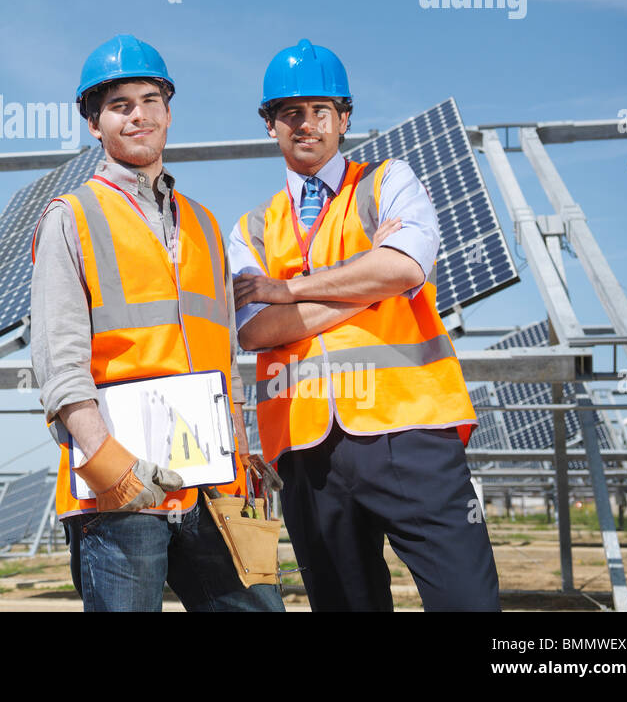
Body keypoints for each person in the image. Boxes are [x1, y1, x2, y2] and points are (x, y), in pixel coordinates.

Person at [229, 38, 500, 611]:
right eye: (290, 114)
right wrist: (369, 287)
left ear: (344, 118)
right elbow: (253, 329)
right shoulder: (251, 228)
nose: (307, 125)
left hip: (411, 428)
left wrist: (291, 290)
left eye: (321, 111)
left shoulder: (386, 181)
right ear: (270, 125)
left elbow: (404, 264)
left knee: (467, 602)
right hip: (306, 450)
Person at [30, 34, 284, 613]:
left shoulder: (205, 224)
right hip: (121, 490)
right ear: (95, 123)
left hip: (212, 484)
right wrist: (109, 467)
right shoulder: (71, 217)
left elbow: (224, 359)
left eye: (150, 100)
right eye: (120, 105)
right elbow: (58, 361)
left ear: (168, 112)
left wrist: (241, 450)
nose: (138, 115)